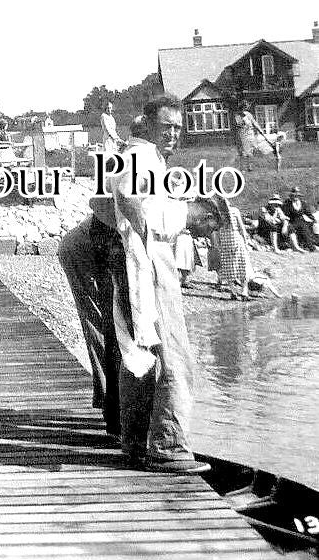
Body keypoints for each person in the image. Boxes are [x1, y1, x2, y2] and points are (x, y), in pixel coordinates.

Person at [107, 95, 220, 474]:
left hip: (146, 260)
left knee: (141, 356)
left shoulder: (142, 158)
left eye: (177, 127)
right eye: (165, 126)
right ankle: (168, 445)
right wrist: (183, 215)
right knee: (175, 354)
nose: (172, 133)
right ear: (149, 126)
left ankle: (136, 442)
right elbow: (127, 199)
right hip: (149, 262)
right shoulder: (141, 157)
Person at [57, 195, 123, 438]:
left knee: (111, 329)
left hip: (93, 250)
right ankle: (111, 408)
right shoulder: (114, 210)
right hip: (80, 253)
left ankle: (111, 404)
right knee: (101, 329)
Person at [232, 101, 276, 170]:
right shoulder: (238, 116)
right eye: (244, 107)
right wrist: (244, 121)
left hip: (251, 134)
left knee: (251, 151)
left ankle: (250, 167)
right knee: (244, 152)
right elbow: (239, 126)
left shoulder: (248, 114)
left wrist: (260, 130)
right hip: (243, 135)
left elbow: (254, 123)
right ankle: (242, 168)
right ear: (242, 107)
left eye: (246, 107)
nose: (245, 108)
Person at [282, 187, 316, 252]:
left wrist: (314, 219)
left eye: (297, 195)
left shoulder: (303, 203)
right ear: (291, 196)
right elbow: (285, 216)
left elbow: (308, 213)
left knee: (306, 231)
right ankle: (296, 247)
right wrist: (285, 224)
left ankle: (311, 247)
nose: (295, 197)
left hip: (301, 221)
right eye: (294, 195)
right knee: (290, 229)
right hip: (292, 221)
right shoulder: (288, 204)